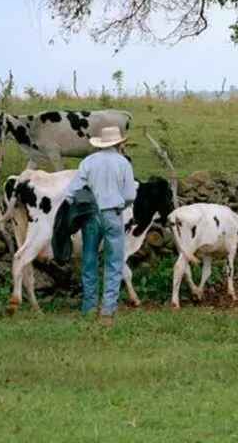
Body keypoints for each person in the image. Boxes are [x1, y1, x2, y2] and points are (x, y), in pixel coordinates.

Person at [63, 125, 136, 325]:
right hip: (114, 214)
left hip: (91, 214)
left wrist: (76, 207)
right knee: (113, 262)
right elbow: (130, 194)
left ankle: (89, 306)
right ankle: (108, 310)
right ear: (119, 144)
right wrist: (122, 204)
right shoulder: (123, 163)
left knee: (89, 259)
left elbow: (71, 192)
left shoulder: (88, 162)